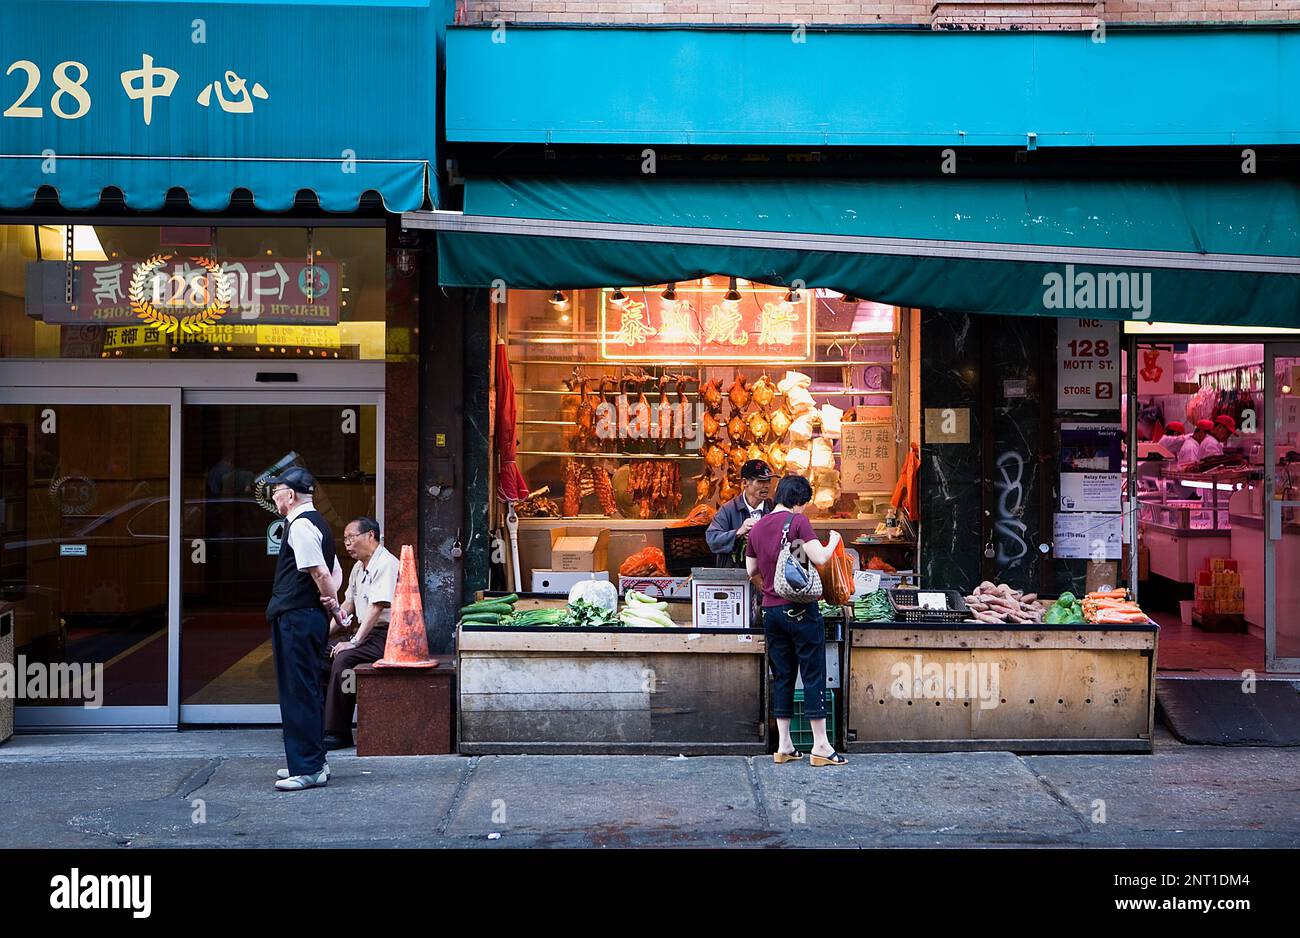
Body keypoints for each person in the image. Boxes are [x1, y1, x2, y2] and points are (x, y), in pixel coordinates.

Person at [745, 474, 846, 767]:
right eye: (804, 504)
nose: (804, 510)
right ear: (798, 501)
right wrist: (834, 541)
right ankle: (822, 747)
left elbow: (751, 569)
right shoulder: (797, 522)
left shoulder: (758, 526)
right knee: (813, 674)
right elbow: (821, 558)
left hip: (771, 612)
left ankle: (784, 745)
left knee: (784, 676)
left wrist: (771, 585)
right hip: (800, 610)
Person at [264, 467, 343, 792]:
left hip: (297, 618)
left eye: (276, 490)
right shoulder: (318, 523)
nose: (273, 496)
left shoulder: (300, 526)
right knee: (307, 688)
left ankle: (307, 768)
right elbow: (337, 571)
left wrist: (335, 609)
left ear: (291, 495)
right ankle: (314, 762)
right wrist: (329, 605)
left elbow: (323, 573)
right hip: (305, 616)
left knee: (298, 691)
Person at [319, 516, 398, 750]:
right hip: (367, 632)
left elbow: (377, 608)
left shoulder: (386, 563)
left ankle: (337, 731)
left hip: (387, 635)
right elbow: (347, 605)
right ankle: (318, 725)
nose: (347, 544)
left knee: (344, 659)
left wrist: (354, 642)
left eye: (351, 538)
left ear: (371, 536)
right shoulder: (357, 567)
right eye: (344, 539)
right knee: (320, 652)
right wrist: (322, 635)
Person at [706, 459, 774, 567]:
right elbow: (712, 539)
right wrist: (738, 533)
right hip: (735, 577)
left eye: (768, 480)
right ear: (745, 483)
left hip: (766, 576)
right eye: (760, 481)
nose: (766, 486)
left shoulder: (773, 509)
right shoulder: (728, 510)